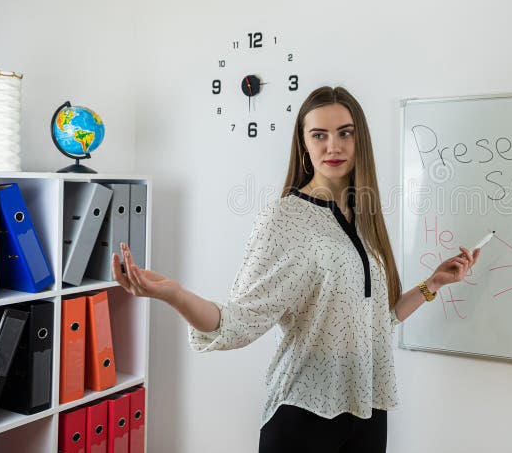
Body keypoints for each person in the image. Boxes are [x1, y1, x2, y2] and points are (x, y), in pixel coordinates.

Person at [112, 86, 480, 452]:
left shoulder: (365, 216)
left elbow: (377, 321)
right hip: (304, 415)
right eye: (319, 135)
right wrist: (175, 294)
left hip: (368, 408)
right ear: (303, 144)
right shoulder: (284, 217)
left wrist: (433, 284)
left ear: (360, 140)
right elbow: (240, 321)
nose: (333, 146)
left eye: (345, 133)